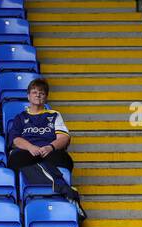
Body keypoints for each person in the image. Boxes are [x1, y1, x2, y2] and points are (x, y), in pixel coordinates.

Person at [4, 77, 83, 213]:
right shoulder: (20, 117)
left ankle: (57, 185)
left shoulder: (54, 115)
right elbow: (15, 139)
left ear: (46, 97)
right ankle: (65, 189)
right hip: (27, 153)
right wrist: (30, 147)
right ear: (28, 96)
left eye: (41, 92)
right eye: (34, 92)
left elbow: (64, 137)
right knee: (15, 159)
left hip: (50, 152)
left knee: (63, 159)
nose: (38, 95)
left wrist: (50, 147)